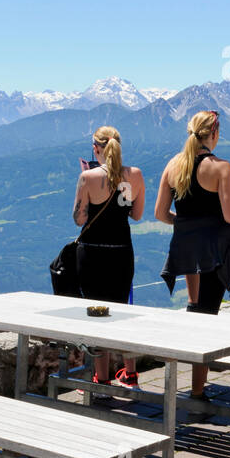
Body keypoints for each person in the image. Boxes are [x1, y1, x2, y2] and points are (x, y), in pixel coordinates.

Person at [155, 110, 230, 400]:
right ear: (214, 134)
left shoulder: (173, 165)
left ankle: (194, 383)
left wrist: (185, 225)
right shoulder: (221, 167)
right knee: (207, 314)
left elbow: (160, 214)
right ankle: (197, 389)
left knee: (196, 309)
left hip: (185, 249)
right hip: (213, 251)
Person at [72, 126, 146, 390]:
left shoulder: (88, 177)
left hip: (92, 253)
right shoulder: (133, 175)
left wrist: (87, 182)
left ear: (96, 148)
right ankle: (130, 374)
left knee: (98, 314)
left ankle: (101, 379)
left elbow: (79, 218)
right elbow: (135, 214)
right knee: (123, 312)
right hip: (121, 252)